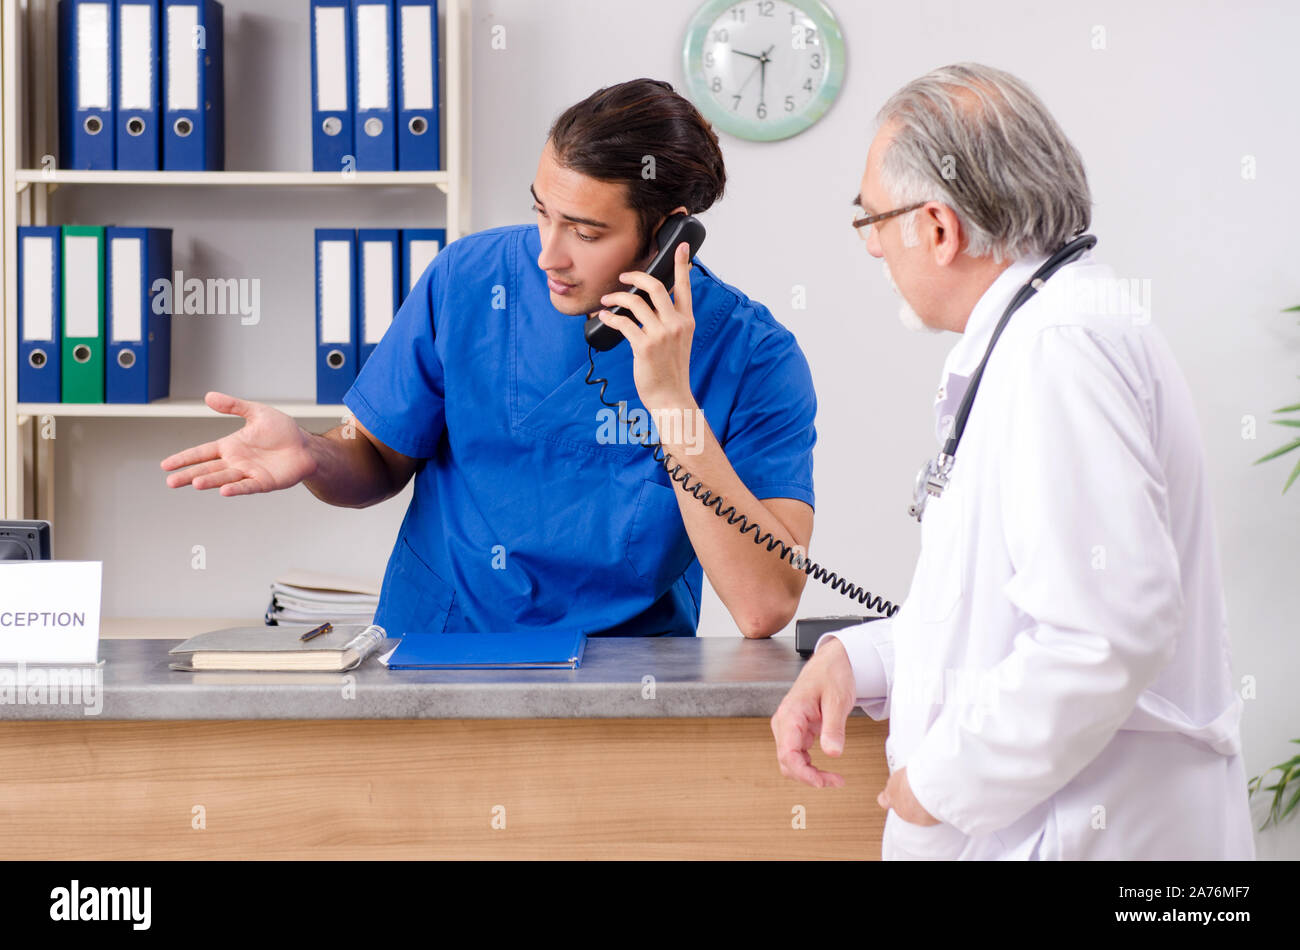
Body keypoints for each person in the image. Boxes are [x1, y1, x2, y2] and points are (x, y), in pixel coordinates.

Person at [770, 63, 1255, 859]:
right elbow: (997, 613)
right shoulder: (1045, 333)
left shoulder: (1059, 348)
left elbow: (1107, 629)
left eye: (873, 220)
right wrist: (855, 657)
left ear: (937, 226)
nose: (873, 249)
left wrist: (942, 785)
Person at [161, 79, 817, 640]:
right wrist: (312, 454)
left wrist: (672, 402)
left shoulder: (756, 357)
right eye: (542, 214)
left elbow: (764, 605)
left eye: (585, 232)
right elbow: (379, 460)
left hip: (629, 676)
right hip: (439, 650)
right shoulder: (471, 278)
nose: (548, 255)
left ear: (668, 235)